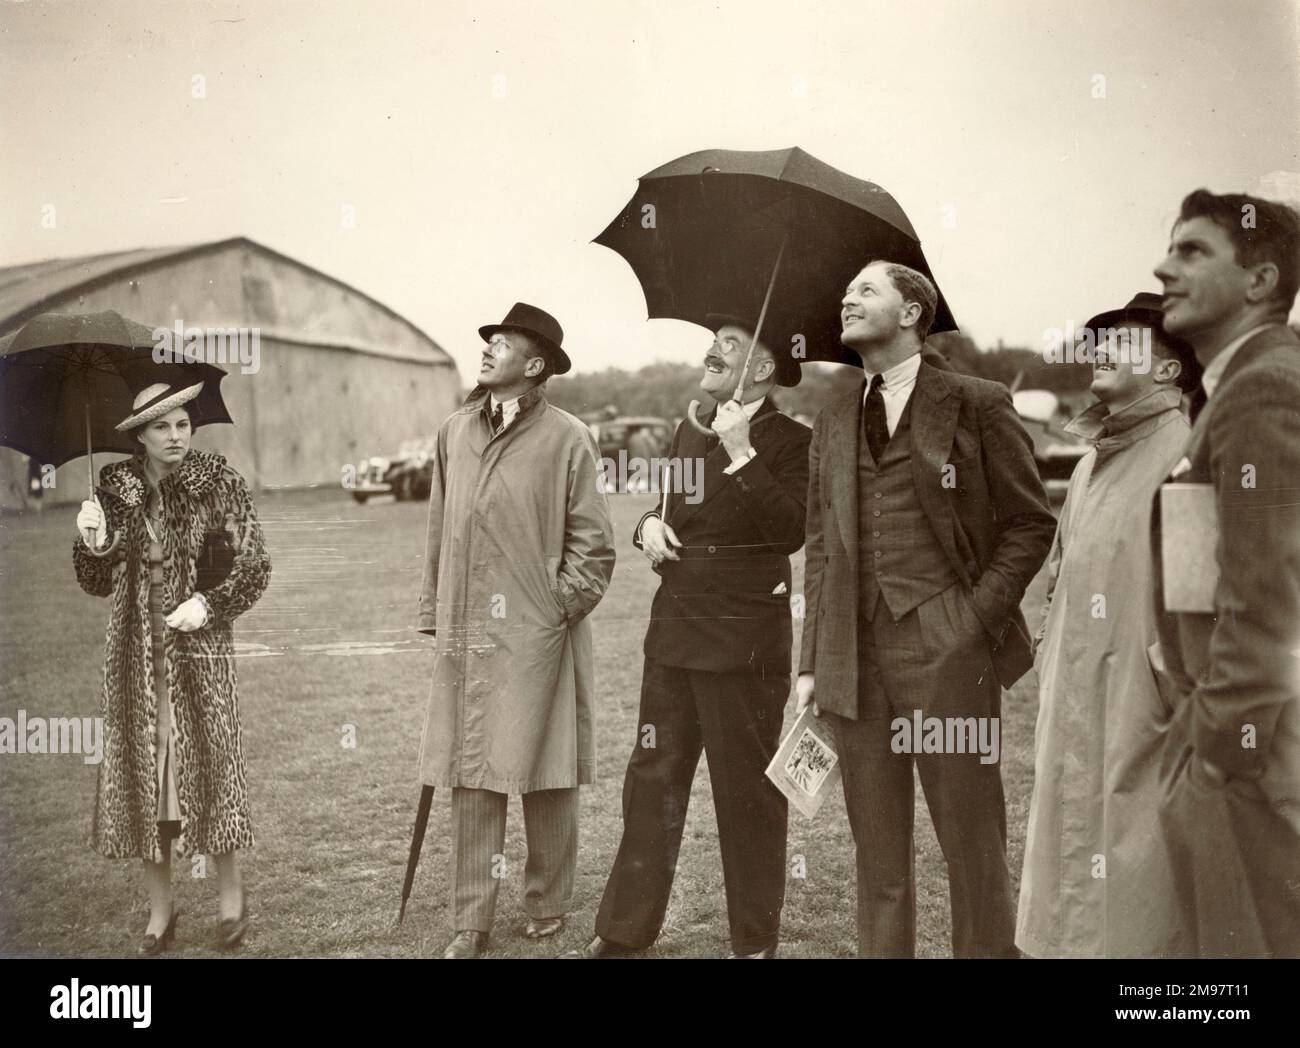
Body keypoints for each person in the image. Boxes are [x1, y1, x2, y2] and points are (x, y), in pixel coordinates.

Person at [796, 261, 1055, 958]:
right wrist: (812, 662)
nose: (846, 298)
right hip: (853, 658)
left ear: (912, 312)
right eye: (845, 290)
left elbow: (1030, 523)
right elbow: (822, 547)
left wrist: (971, 625)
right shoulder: (833, 415)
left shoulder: (977, 400)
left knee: (970, 842)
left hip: (948, 651)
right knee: (877, 854)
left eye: (865, 290)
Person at [570, 315, 810, 959]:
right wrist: (648, 524)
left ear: (762, 370)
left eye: (731, 345)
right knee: (651, 780)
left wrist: (744, 452)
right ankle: (624, 933)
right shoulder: (688, 427)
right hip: (673, 633)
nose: (713, 350)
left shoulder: (793, 441)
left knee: (748, 796)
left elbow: (790, 531)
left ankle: (755, 942)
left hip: (745, 645)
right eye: (715, 340)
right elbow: (672, 509)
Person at [416, 302, 615, 959]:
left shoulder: (569, 438)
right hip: (468, 633)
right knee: (472, 767)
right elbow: (438, 528)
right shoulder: (453, 432)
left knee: (547, 765)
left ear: (534, 366)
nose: (487, 348)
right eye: (487, 340)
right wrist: (433, 610)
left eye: (502, 343)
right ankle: (470, 919)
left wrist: (557, 608)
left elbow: (594, 547)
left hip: (540, 632)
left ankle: (548, 902)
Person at [1016, 293, 1200, 958]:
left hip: (1144, 708)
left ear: (1168, 371)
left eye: (1120, 343)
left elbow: (1203, 607)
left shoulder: (1187, 456)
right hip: (1074, 697)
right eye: (1097, 339)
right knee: (1070, 855)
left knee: (1140, 886)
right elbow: (1062, 572)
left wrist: (1160, 680)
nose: (1098, 350)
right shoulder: (1092, 459)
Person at [1150, 189, 1300, 957]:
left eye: (1191, 252)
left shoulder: (1263, 387)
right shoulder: (1237, 389)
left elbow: (1270, 602)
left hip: (1253, 762)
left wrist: (1215, 753)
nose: (1162, 268)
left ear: (1261, 282)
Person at [73, 381, 271, 954]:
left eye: (183, 424)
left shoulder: (219, 482)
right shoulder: (114, 490)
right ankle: (161, 912)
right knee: (150, 778)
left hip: (201, 655)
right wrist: (92, 542)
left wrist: (207, 603)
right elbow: (94, 582)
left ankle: (231, 898)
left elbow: (255, 564)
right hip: (137, 658)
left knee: (210, 765)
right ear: (139, 435)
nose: (176, 435)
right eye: (162, 427)